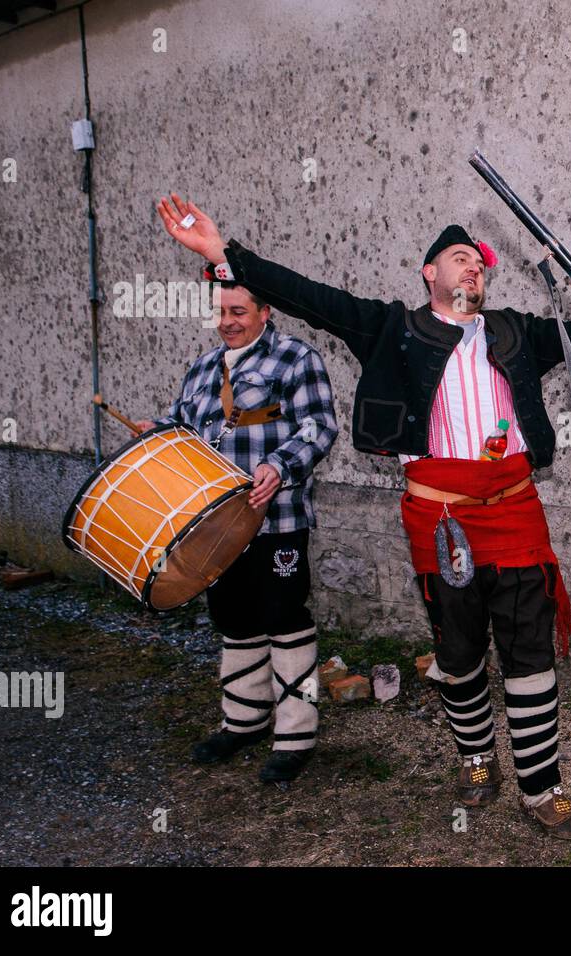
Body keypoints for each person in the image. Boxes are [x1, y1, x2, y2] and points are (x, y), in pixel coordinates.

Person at [156, 195, 571, 838]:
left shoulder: (514, 331)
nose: (473, 267)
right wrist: (221, 253)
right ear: (430, 273)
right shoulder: (389, 329)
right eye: (459, 258)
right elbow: (305, 294)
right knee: (458, 652)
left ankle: (543, 787)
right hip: (438, 519)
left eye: (479, 261)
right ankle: (478, 761)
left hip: (515, 513)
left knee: (530, 652)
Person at [140, 279, 339, 783]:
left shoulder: (296, 359)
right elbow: (183, 427)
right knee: (232, 615)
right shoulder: (204, 367)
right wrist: (157, 434)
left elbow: (319, 426)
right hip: (213, 524)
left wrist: (279, 465)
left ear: (265, 311)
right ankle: (244, 720)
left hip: (278, 518)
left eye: (239, 310)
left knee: (284, 613)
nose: (228, 321)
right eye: (221, 312)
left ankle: (296, 734)